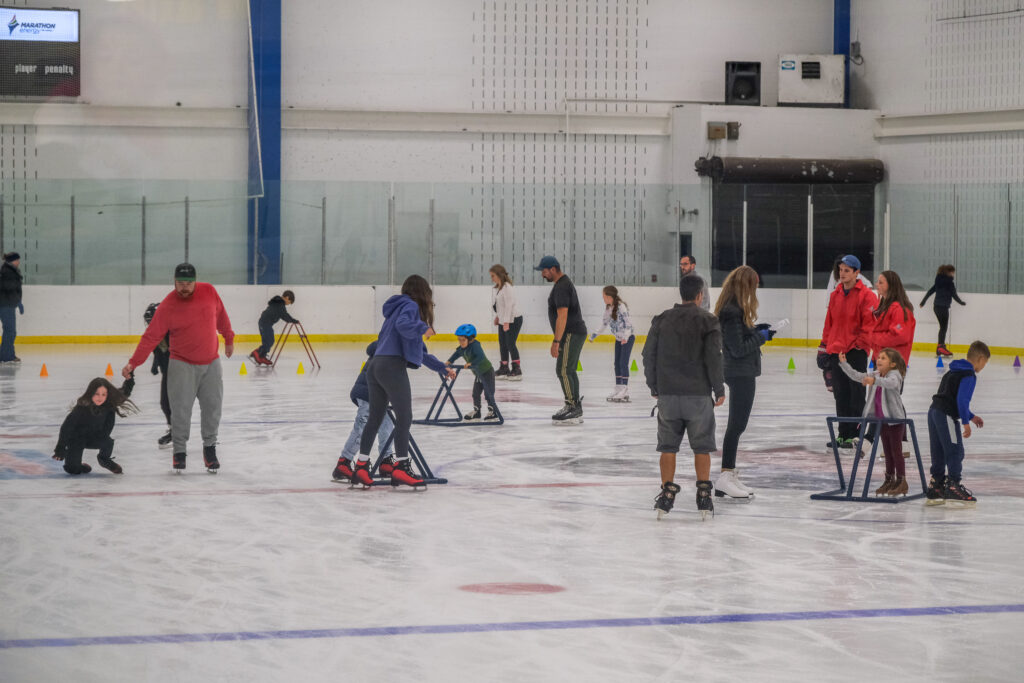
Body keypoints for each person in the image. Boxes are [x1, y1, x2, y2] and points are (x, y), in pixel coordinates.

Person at [122, 263, 234, 473]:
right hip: (181, 363)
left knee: (212, 408)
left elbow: (221, 316)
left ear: (195, 281)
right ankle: (179, 452)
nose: (184, 287)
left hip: (211, 362)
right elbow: (151, 337)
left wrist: (228, 337)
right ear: (174, 281)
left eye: (188, 283)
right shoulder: (168, 305)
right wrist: (133, 362)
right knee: (181, 411)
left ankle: (209, 449)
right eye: (180, 283)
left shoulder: (209, 291)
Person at [350, 274, 456, 488]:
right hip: (391, 366)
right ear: (422, 293)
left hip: (375, 366)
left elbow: (418, 350)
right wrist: (422, 328)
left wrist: (440, 367)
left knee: (375, 418)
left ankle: (361, 467)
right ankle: (401, 467)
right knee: (405, 417)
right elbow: (404, 325)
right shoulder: (410, 307)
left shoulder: (395, 309)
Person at [644, 274, 726, 520]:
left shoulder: (662, 319)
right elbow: (714, 357)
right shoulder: (708, 320)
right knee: (701, 448)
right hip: (698, 397)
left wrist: (654, 385)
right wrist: (718, 388)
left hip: (668, 396)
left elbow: (648, 355)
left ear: (681, 293)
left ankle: (666, 496)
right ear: (700, 295)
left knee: (668, 447)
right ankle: (703, 497)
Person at [713, 265, 774, 501]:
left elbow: (738, 338)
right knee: (736, 426)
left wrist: (758, 330)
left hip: (741, 371)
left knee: (738, 426)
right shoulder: (732, 311)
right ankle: (725, 476)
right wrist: (761, 337)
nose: (755, 292)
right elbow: (737, 349)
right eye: (754, 286)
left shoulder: (735, 309)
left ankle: (729, 474)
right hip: (739, 372)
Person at [821, 254, 878, 448]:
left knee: (856, 394)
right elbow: (829, 322)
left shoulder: (867, 295)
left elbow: (869, 325)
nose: (842, 274)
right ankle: (842, 434)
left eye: (847, 270)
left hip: (855, 352)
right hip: (837, 351)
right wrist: (825, 346)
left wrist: (859, 346)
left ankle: (856, 434)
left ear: (857, 273)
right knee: (841, 394)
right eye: (841, 270)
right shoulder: (836, 294)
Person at [926, 340, 989, 507]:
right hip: (946, 415)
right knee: (955, 450)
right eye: (985, 363)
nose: (983, 367)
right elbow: (962, 400)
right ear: (981, 359)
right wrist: (966, 422)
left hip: (934, 412)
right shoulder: (969, 375)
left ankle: (936, 485)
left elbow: (949, 397)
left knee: (938, 450)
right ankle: (953, 485)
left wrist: (971, 416)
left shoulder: (952, 371)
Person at [838, 348, 909, 496]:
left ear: (893, 364)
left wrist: (875, 380)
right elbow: (857, 376)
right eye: (878, 357)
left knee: (896, 452)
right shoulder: (875, 374)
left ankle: (902, 481)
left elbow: (891, 383)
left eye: (883, 358)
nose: (879, 360)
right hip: (881, 420)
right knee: (888, 453)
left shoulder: (895, 375)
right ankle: (889, 480)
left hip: (895, 420)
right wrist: (844, 364)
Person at [332, 341, 395, 482]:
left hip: (379, 393)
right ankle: (344, 462)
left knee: (387, 423)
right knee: (362, 427)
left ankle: (386, 461)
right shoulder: (387, 343)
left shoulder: (389, 342)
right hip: (367, 392)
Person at [536, 256, 587, 425]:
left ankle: (572, 406)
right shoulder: (562, 284)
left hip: (571, 333)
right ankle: (574, 405)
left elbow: (562, 315)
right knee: (569, 370)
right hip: (574, 332)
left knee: (563, 370)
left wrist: (556, 341)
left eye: (544, 271)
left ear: (552, 269)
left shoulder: (562, 287)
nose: (543, 275)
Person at [52, 377, 138, 475]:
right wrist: (60, 449)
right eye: (96, 394)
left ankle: (104, 459)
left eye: (103, 394)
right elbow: (66, 427)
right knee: (72, 470)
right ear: (90, 393)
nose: (100, 397)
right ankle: (79, 466)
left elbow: (123, 393)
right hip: (77, 439)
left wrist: (129, 379)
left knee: (108, 442)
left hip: (96, 437)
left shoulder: (109, 403)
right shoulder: (82, 407)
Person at [588, 285, 635, 403]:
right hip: (619, 339)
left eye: (604, 296)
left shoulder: (621, 307)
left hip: (628, 338)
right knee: (616, 363)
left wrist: (625, 337)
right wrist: (595, 334)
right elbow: (604, 323)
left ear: (609, 296)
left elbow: (628, 324)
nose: (603, 298)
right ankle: (618, 388)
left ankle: (625, 389)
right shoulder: (609, 308)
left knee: (623, 363)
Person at [447, 324, 500, 422]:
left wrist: (471, 363)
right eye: (459, 339)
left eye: (463, 340)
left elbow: (480, 357)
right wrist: (449, 362)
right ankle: (477, 412)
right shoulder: (462, 348)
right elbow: (457, 354)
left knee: (489, 393)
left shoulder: (475, 345)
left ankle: (493, 412)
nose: (461, 342)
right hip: (478, 374)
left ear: (470, 339)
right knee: (475, 393)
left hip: (487, 372)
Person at [144, 302, 173, 448]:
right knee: (165, 403)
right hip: (167, 372)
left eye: (152, 322)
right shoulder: (155, 333)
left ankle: (176, 432)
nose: (149, 325)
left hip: (178, 372)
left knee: (172, 403)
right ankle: (174, 429)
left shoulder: (173, 333)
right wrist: (155, 363)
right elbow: (157, 349)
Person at [920, 264, 966, 357]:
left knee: (942, 327)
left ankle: (939, 347)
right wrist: (961, 302)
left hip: (936, 307)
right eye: (953, 272)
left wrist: (923, 302)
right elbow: (954, 295)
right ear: (949, 272)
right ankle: (941, 347)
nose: (954, 274)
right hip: (943, 307)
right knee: (943, 328)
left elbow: (930, 291)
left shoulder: (938, 281)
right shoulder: (950, 283)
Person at [490, 265, 523, 381]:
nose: (492, 278)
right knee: (502, 344)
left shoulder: (508, 287)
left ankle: (516, 369)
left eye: (493, 276)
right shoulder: (499, 288)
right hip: (504, 319)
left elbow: (509, 305)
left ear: (499, 275)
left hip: (513, 319)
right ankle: (504, 367)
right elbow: (500, 306)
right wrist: (498, 317)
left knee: (510, 343)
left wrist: (506, 322)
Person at [250, 290, 299, 365]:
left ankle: (260, 354)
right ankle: (258, 353)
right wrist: (293, 320)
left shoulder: (278, 302)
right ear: (287, 297)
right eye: (289, 302)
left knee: (268, 341)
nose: (288, 304)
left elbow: (283, 314)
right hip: (265, 323)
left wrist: (291, 320)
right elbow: (284, 315)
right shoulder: (280, 304)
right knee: (269, 340)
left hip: (265, 323)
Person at [0, 251, 24, 364]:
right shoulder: (8, 272)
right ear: (12, 260)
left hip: (8, 304)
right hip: (6, 304)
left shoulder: (9, 270)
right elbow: (10, 289)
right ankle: (6, 356)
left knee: (10, 331)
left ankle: (7, 354)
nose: (19, 262)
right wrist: (18, 301)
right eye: (17, 260)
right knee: (10, 331)